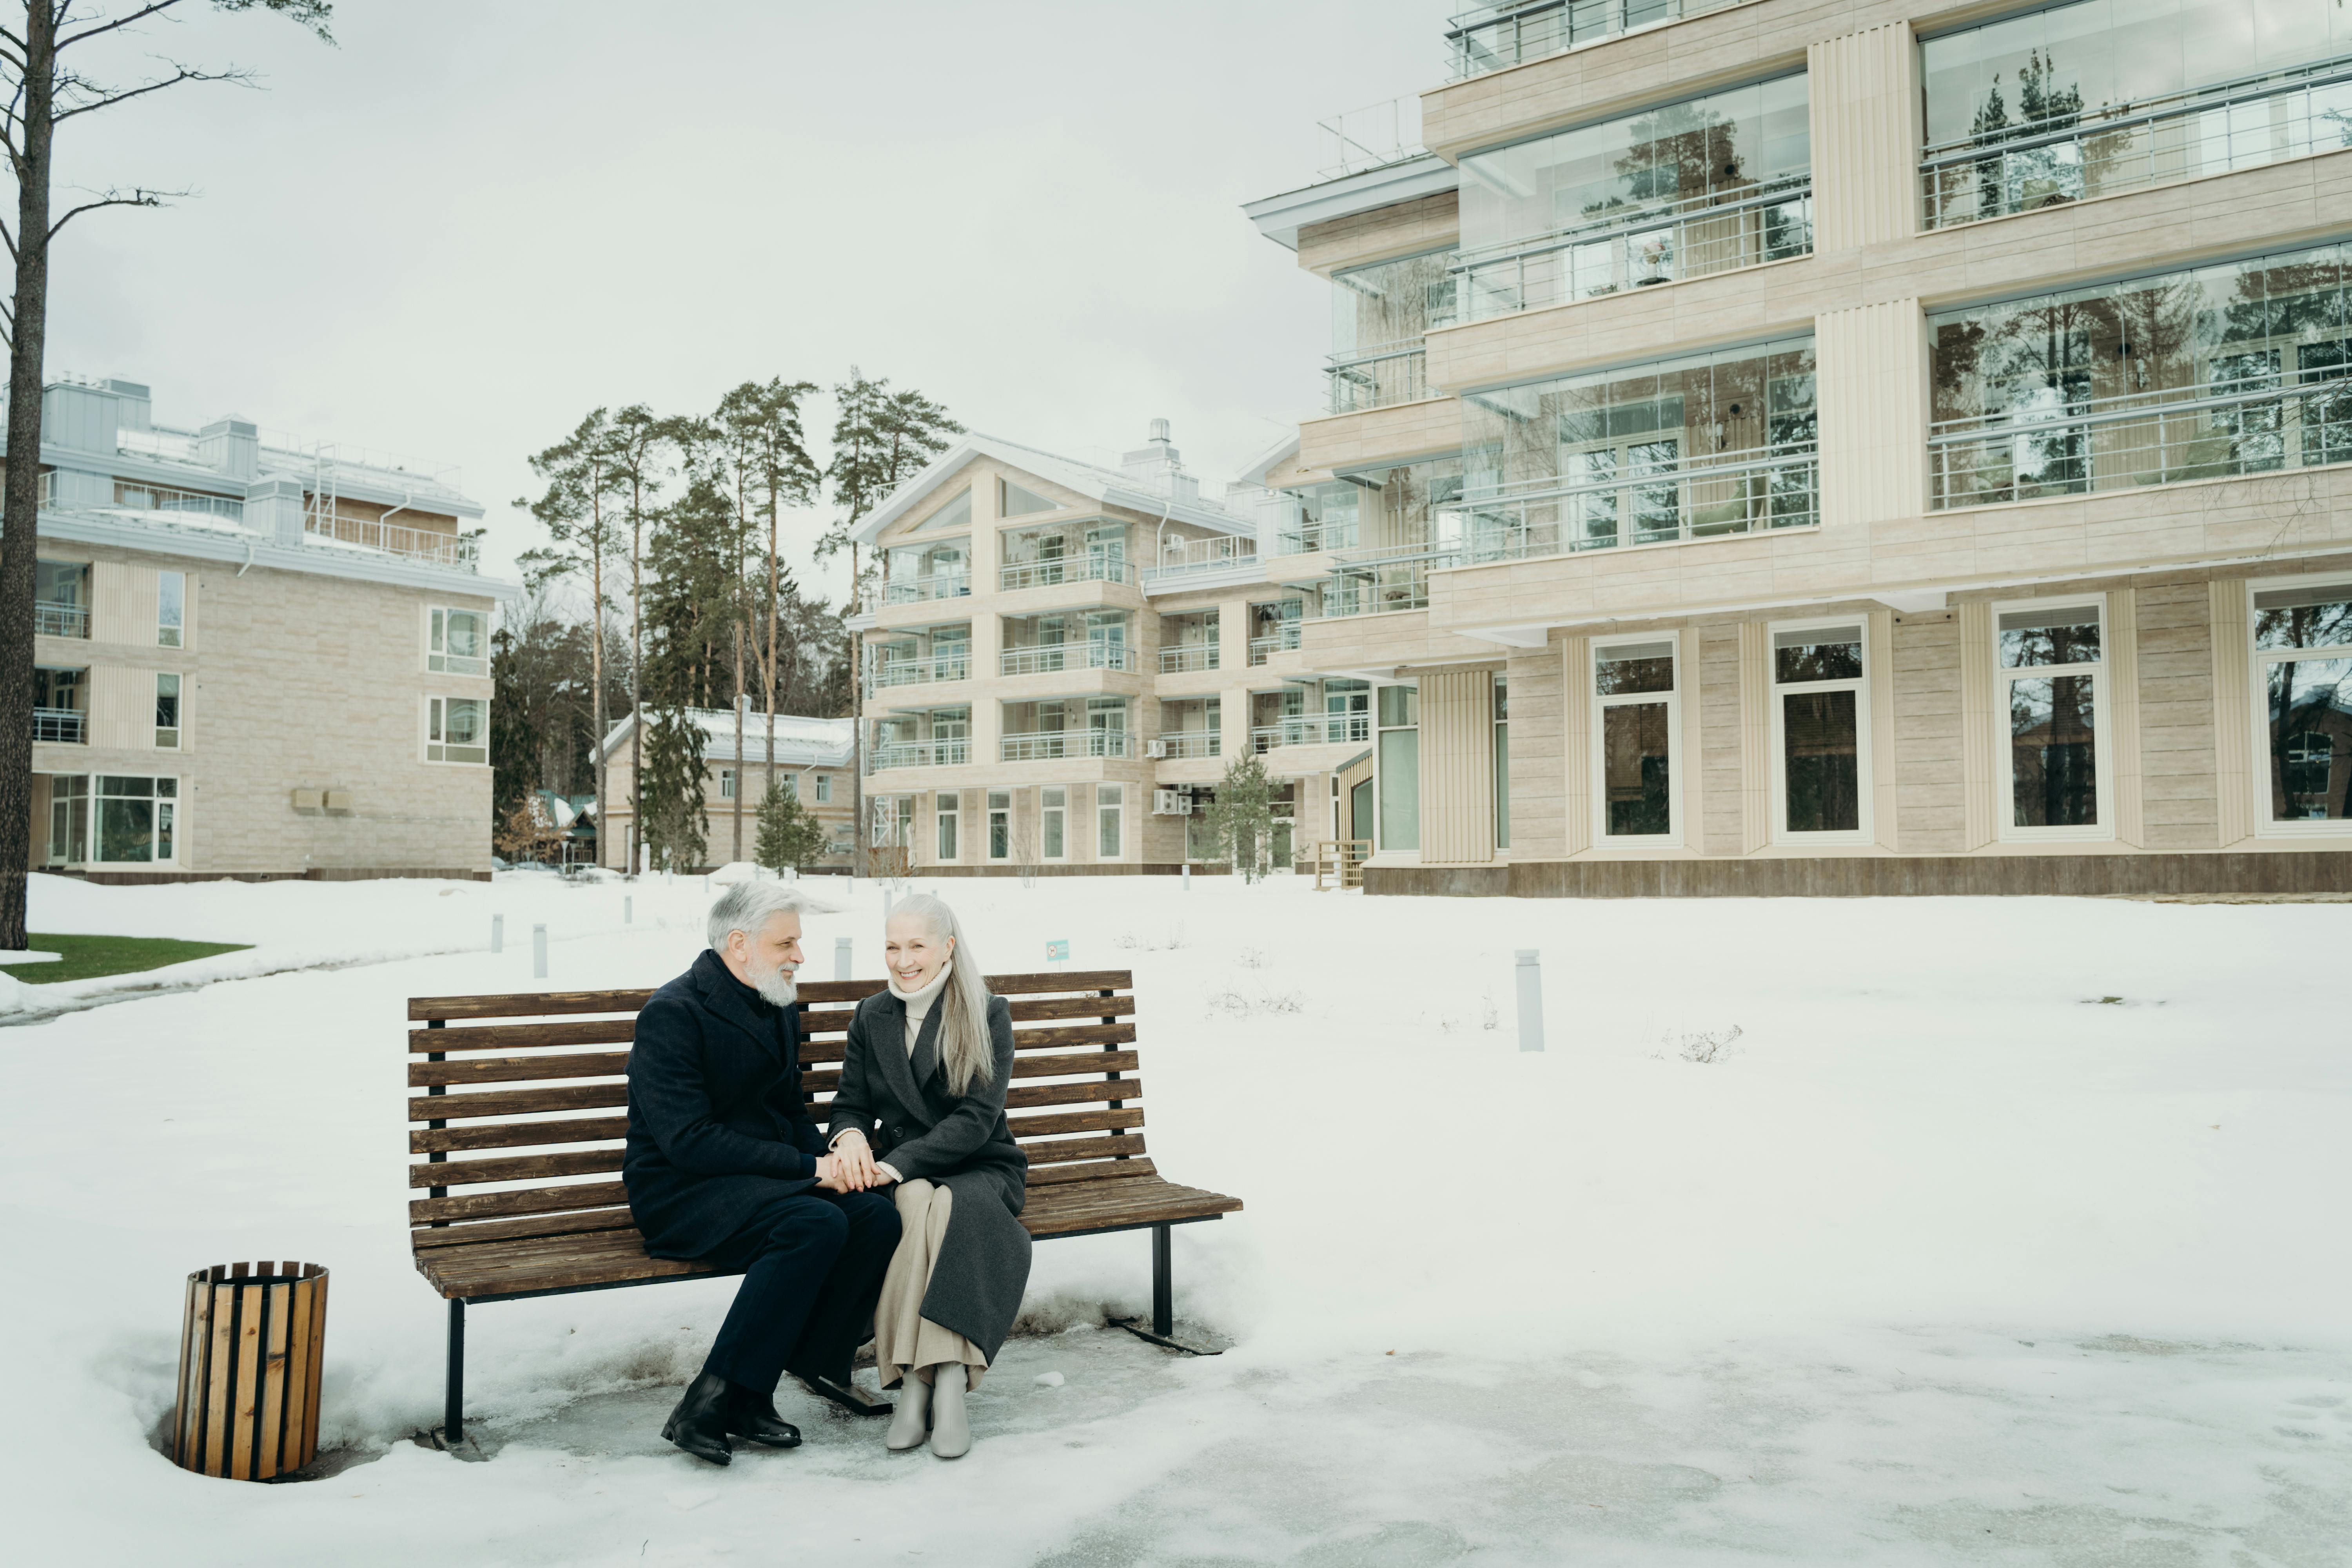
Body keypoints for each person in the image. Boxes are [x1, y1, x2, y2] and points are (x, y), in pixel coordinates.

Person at [624, 881, 902, 1466]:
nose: (799, 956)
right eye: (787, 943)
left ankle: (776, 1380)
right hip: (682, 1191)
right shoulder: (673, 1013)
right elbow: (687, 1141)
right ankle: (709, 1400)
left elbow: (790, 1112)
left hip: (757, 1183)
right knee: (812, 1225)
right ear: (739, 943)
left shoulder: (773, 1000)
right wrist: (809, 1169)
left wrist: (832, 1164)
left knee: (874, 1215)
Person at [824, 893, 1031, 1459]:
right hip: (907, 1172)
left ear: (947, 947)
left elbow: (977, 1119)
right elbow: (849, 1104)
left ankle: (934, 1383)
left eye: (917, 945)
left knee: (941, 1204)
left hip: (981, 1164)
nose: (903, 960)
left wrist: (895, 1163)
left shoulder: (987, 1011)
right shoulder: (872, 1014)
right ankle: (933, 1380)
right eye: (892, 946)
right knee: (916, 1202)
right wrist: (849, 1138)